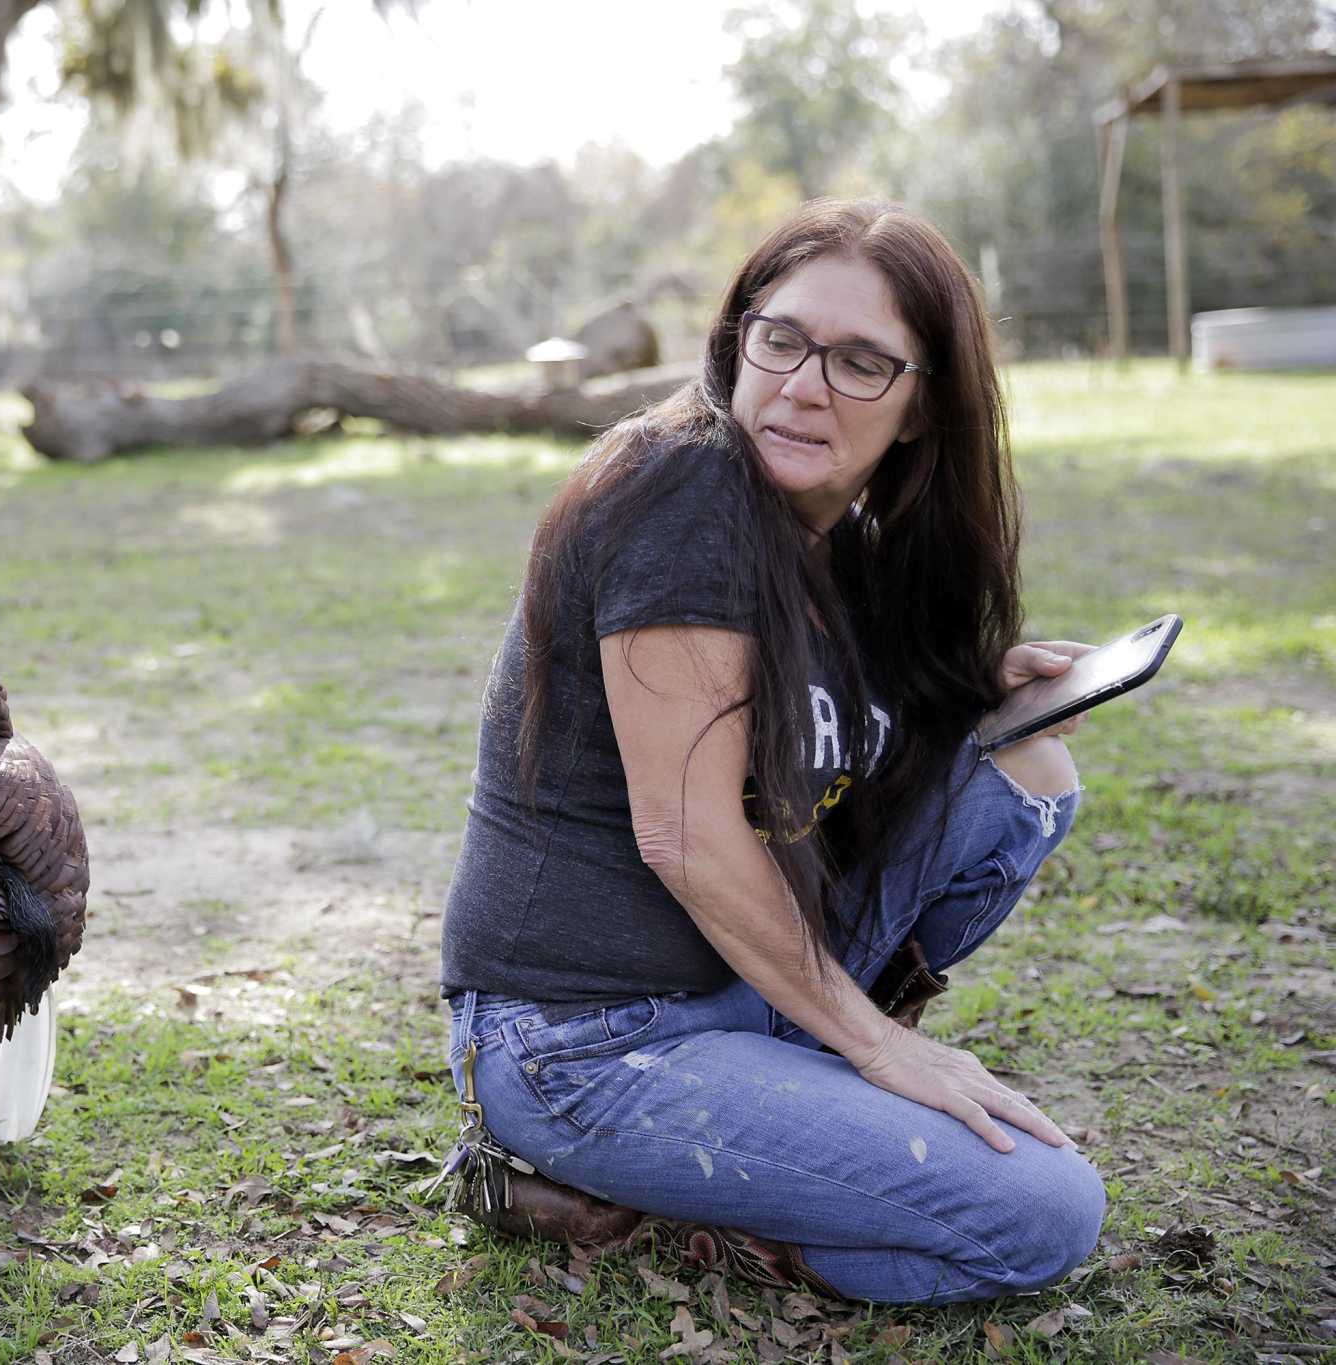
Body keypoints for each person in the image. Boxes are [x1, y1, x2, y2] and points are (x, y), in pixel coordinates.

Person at [436, 198, 1105, 1305]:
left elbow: (819, 746)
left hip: (733, 988)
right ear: (735, 337)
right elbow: (687, 832)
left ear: (921, 403)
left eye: (858, 362)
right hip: (585, 1041)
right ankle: (648, 1178)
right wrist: (880, 1050)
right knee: (1042, 1213)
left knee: (1019, 765)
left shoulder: (836, 535)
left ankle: (785, 1109)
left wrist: (967, 695)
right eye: (781, 338)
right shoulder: (682, 488)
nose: (799, 385)